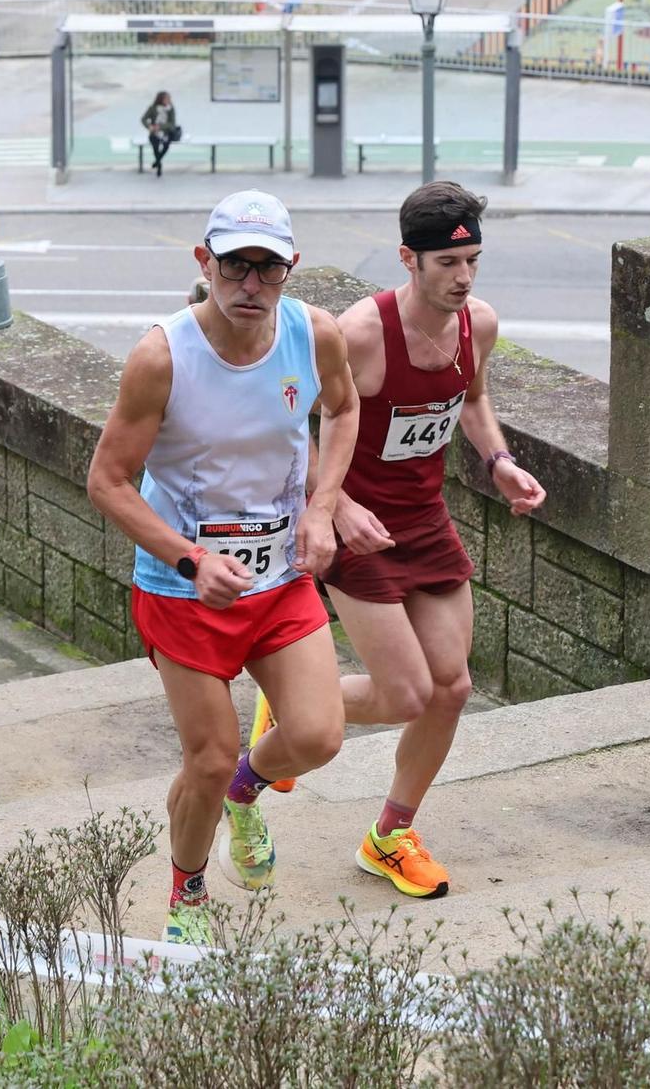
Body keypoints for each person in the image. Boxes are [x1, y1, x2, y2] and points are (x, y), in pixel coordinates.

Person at [252, 180, 545, 901]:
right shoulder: (359, 333)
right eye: (448, 263)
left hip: (424, 519)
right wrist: (337, 506)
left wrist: (499, 462)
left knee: (452, 687)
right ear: (408, 259)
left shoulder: (478, 323)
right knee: (406, 693)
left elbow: (472, 399)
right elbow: (289, 428)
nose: (464, 278)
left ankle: (389, 835)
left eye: (472, 261)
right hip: (356, 527)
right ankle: (294, 707)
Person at [86, 190, 362, 946]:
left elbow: (343, 409)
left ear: (290, 267)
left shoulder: (315, 333)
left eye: (268, 268)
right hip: (184, 588)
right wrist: (191, 557)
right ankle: (188, 894)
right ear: (204, 262)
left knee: (318, 735)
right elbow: (107, 480)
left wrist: (322, 508)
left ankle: (247, 792)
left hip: (279, 573)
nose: (250, 283)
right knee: (205, 759)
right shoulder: (162, 356)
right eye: (236, 264)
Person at [141, 92, 178, 177]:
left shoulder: (170, 109)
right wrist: (149, 126)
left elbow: (172, 124)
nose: (168, 100)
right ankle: (159, 165)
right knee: (155, 145)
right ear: (161, 99)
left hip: (167, 132)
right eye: (166, 98)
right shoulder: (153, 108)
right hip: (154, 132)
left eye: (169, 98)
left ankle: (157, 161)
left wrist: (160, 127)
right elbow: (143, 119)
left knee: (166, 145)